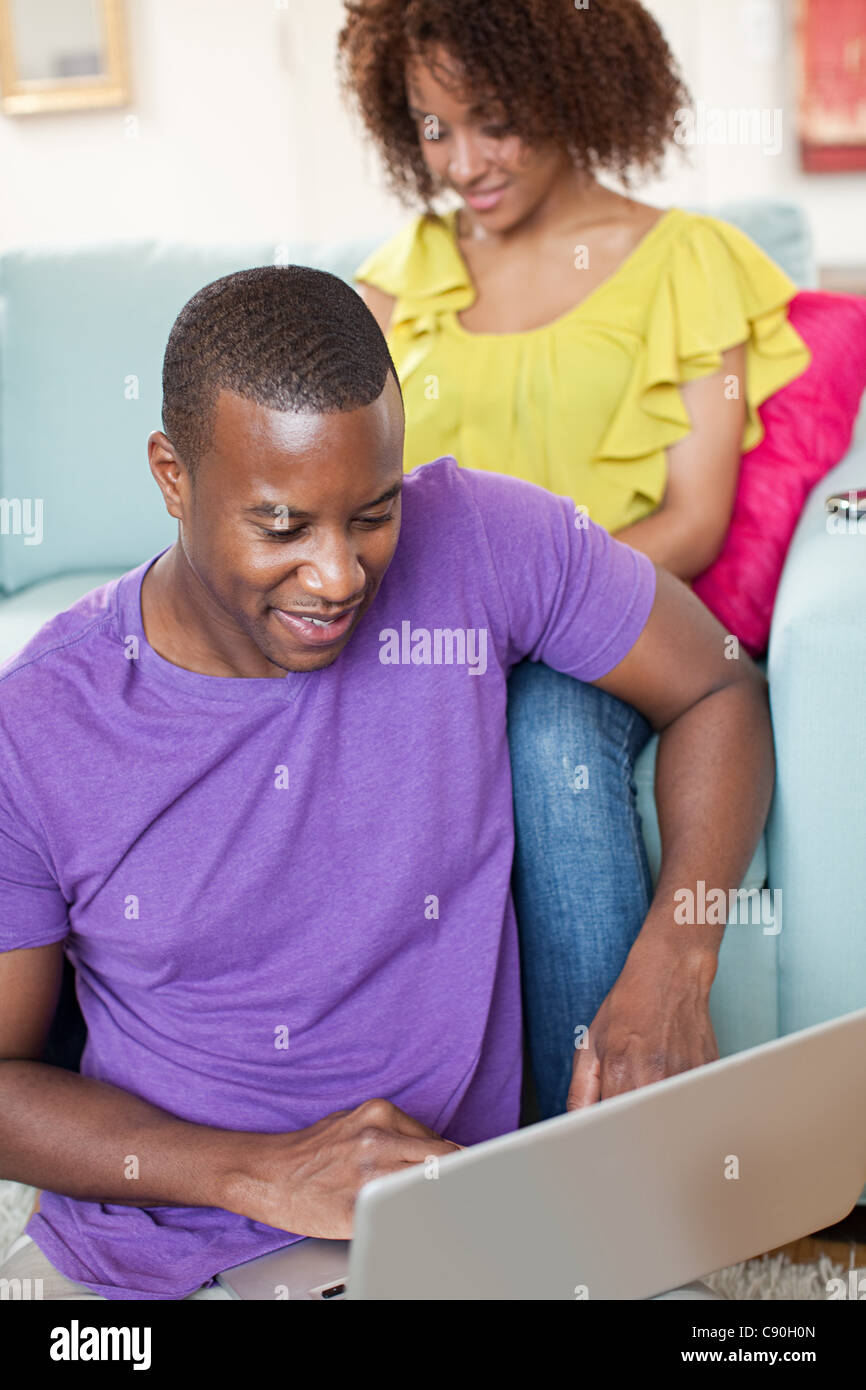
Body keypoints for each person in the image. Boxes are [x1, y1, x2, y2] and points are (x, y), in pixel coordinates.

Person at [0, 267, 772, 1299]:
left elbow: (718, 682)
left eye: (371, 512)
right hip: (162, 1259)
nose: (338, 576)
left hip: (448, 1236)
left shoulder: (483, 540)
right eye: (281, 527)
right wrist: (264, 1173)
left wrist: (674, 957)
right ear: (172, 477)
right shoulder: (45, 718)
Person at [339, 0, 810, 1115]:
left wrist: (523, 615)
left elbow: (694, 519)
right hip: (425, 635)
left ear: (575, 88)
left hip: (615, 626)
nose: (463, 164)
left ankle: (599, 1135)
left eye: (491, 121)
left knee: (548, 718)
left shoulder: (686, 260)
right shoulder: (399, 276)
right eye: (432, 129)